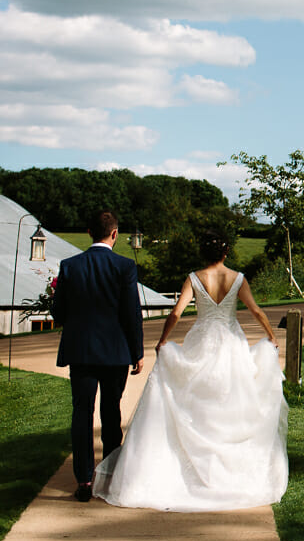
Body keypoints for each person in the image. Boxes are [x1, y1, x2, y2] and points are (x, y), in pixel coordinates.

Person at [92, 230, 288, 511]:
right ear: (225, 252)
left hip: (203, 341)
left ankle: (193, 468)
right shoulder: (238, 278)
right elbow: (256, 310)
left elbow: (176, 312)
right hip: (231, 343)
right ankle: (227, 469)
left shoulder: (194, 278)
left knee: (195, 400)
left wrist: (163, 340)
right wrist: (271, 336)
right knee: (229, 402)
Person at [52, 210, 144, 503]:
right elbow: (132, 314)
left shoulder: (69, 266)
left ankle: (84, 479)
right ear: (115, 234)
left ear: (89, 232)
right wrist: (137, 352)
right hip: (116, 353)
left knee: (81, 414)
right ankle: (110, 476)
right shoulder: (125, 266)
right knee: (111, 413)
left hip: (80, 352)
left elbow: (58, 314)